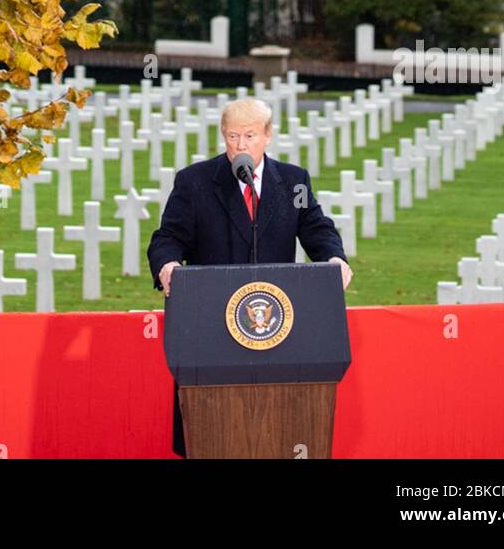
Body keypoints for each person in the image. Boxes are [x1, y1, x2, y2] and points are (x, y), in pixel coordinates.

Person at [146, 96, 353, 457]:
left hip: (278, 326)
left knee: (278, 430)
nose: (240, 146)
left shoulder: (294, 182)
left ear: (268, 135)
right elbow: (168, 238)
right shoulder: (194, 182)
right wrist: (168, 264)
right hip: (211, 324)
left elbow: (316, 227)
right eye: (232, 136)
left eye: (249, 136)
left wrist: (334, 258)